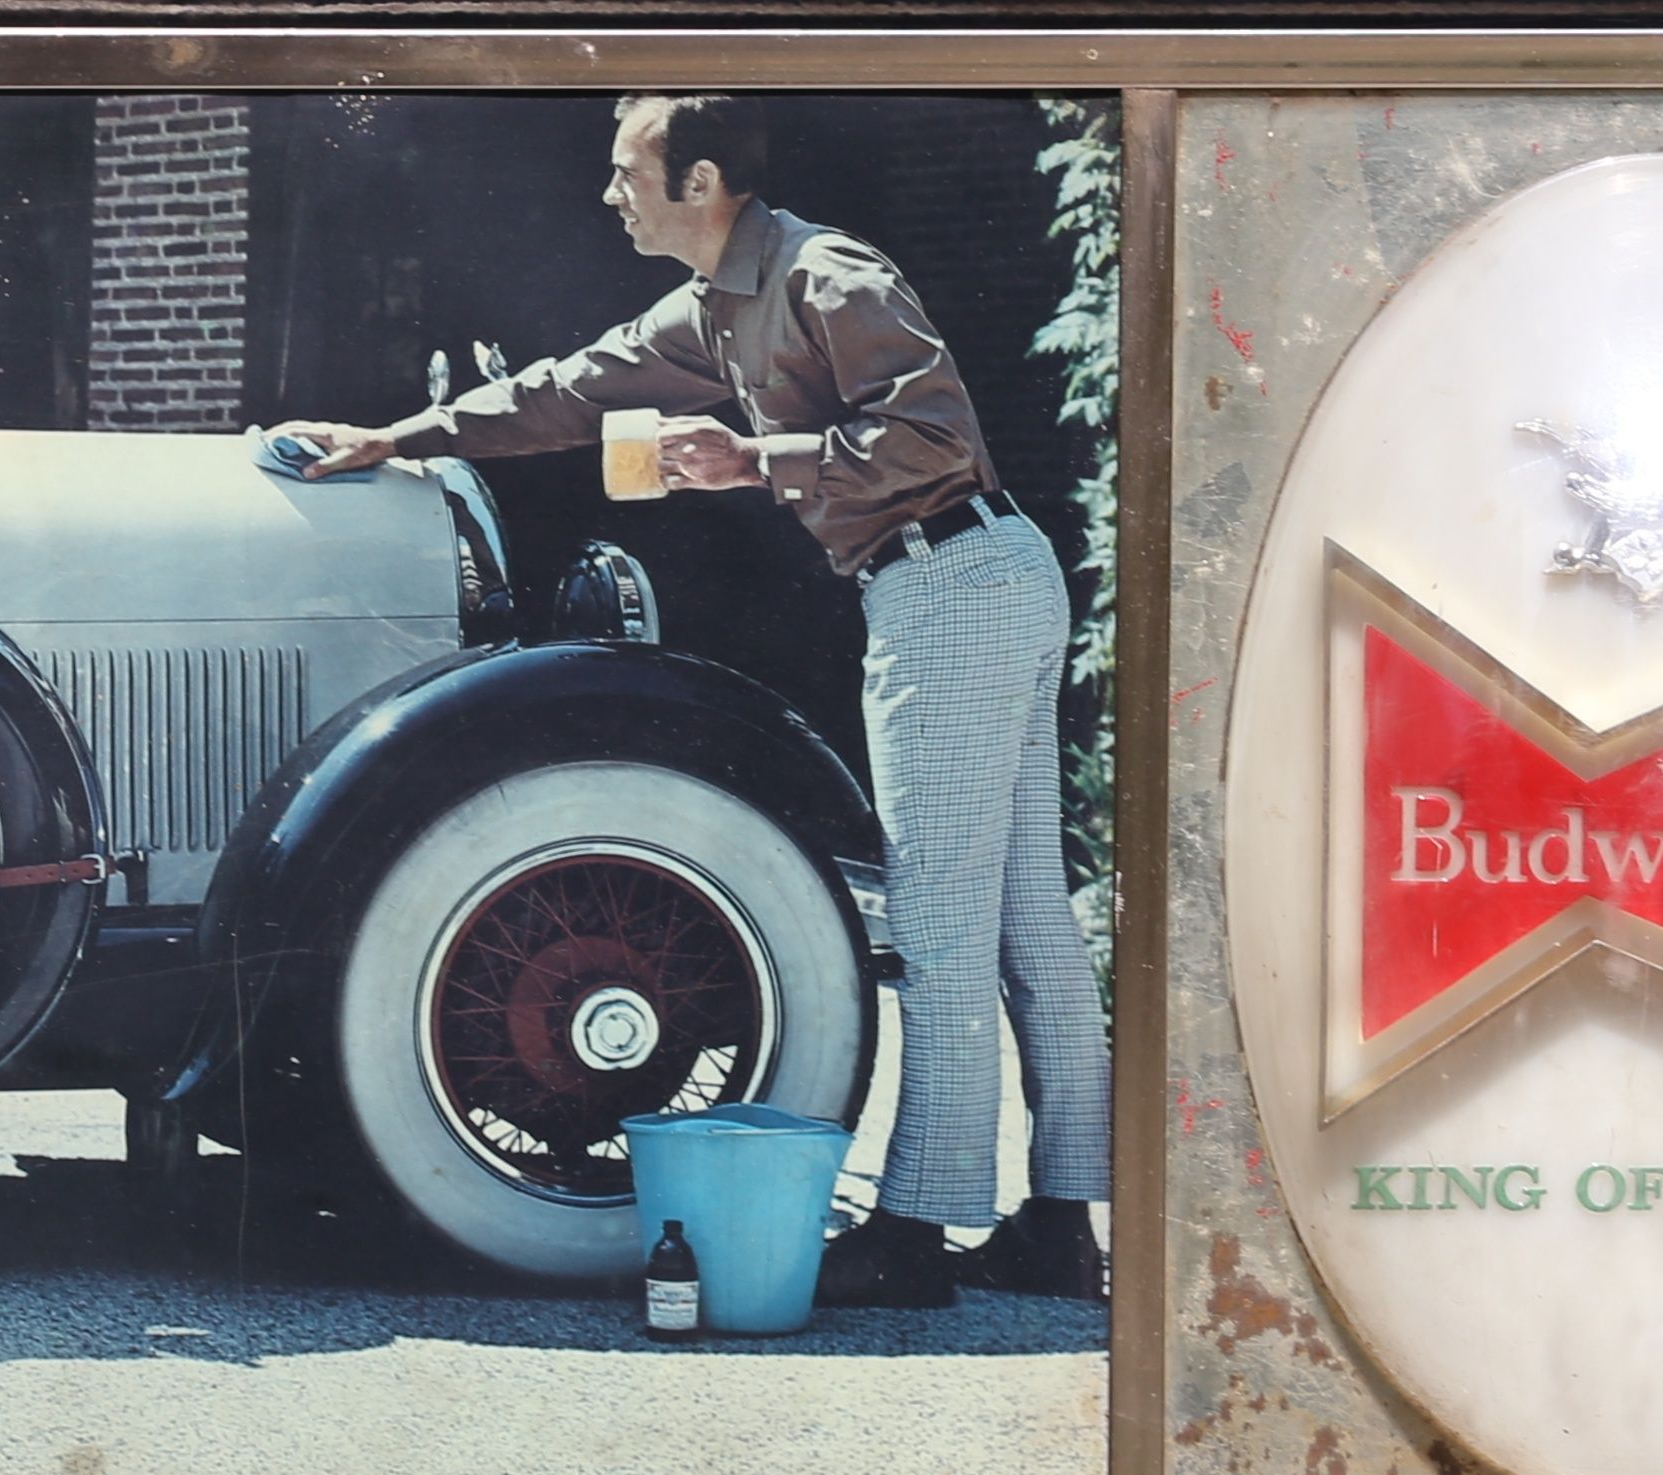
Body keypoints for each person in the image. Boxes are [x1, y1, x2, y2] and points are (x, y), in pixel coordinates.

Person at [274, 93, 1109, 1308]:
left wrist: (752, 461)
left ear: (700, 180)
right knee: (1028, 924)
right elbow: (568, 389)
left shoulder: (826, 274)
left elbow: (929, 441)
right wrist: (396, 438)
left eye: (627, 173)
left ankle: (920, 1232)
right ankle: (1056, 1228)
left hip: (950, 579)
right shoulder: (716, 305)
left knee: (939, 924)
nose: (609, 195)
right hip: (967, 579)